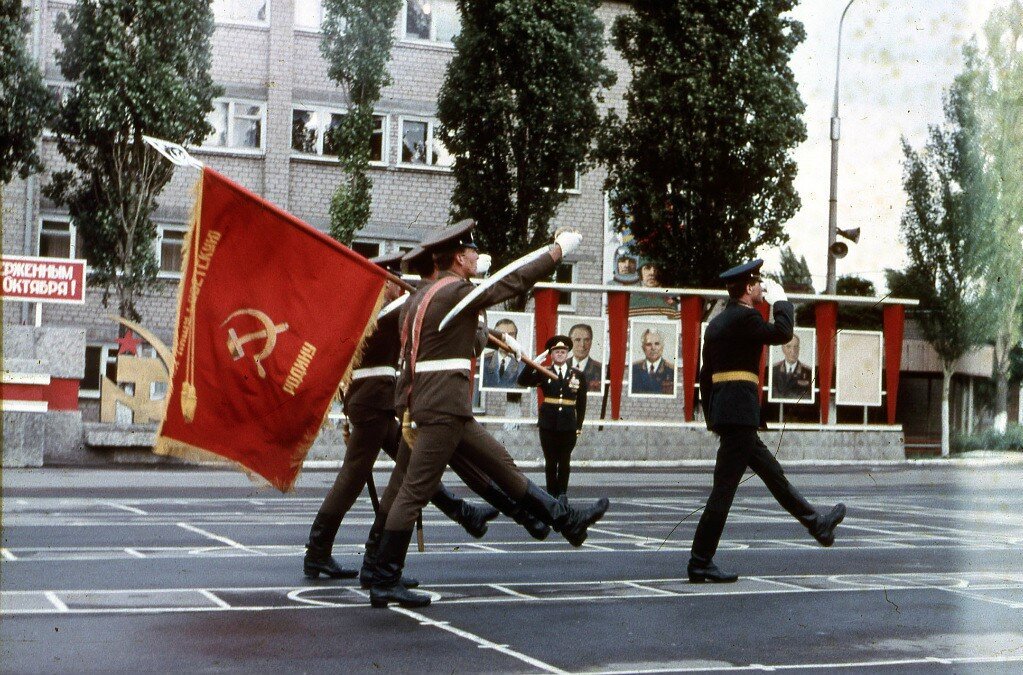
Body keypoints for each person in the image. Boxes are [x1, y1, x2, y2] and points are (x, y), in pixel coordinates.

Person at [366, 220, 610, 609]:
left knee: (501, 465)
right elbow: (511, 281)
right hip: (443, 407)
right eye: (473, 253)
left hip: (439, 405)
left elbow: (460, 342)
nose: (478, 257)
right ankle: (383, 578)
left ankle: (565, 521)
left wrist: (407, 408)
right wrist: (557, 251)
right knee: (414, 490)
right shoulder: (451, 293)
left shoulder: (420, 299)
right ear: (460, 257)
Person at [302, 252, 501, 580]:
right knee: (361, 477)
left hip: (373, 400)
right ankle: (339, 556)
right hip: (374, 401)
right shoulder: (385, 312)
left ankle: (458, 514)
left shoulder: (367, 312)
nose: (399, 288)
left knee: (408, 470)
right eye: (393, 281)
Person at [690, 258, 846, 584]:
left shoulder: (716, 324)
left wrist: (712, 416)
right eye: (759, 283)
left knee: (773, 475)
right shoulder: (745, 318)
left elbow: (705, 376)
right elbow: (783, 333)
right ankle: (700, 561)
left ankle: (817, 524)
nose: (762, 287)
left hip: (729, 414)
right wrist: (781, 301)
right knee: (724, 491)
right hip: (740, 414)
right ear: (747, 289)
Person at [517, 335, 587, 497]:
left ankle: (562, 495)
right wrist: (533, 363)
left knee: (564, 463)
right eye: (556, 351)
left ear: (568, 353)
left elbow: (581, 402)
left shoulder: (577, 374)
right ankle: (551, 497)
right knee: (550, 463)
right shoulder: (544, 372)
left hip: (568, 425)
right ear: (552, 355)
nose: (560, 354)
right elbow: (523, 380)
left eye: (563, 351)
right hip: (548, 425)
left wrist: (578, 426)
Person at [481, 318, 525, 388]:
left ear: (516, 337)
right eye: (501, 335)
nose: (507, 340)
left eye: (511, 334)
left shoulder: (523, 365)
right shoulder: (483, 362)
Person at [630, 328, 675, 395]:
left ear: (662, 347)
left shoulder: (672, 370)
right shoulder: (633, 369)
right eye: (648, 344)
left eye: (657, 344)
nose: (653, 348)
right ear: (643, 348)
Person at [771, 334, 813, 401]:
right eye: (788, 346)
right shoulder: (774, 370)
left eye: (795, 347)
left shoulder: (809, 372)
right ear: (783, 348)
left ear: (799, 349)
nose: (792, 351)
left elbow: (808, 396)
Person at [568, 323, 603, 392]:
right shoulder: (562, 366)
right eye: (578, 340)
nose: (582, 345)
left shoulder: (601, 369)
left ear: (591, 342)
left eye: (586, 340)